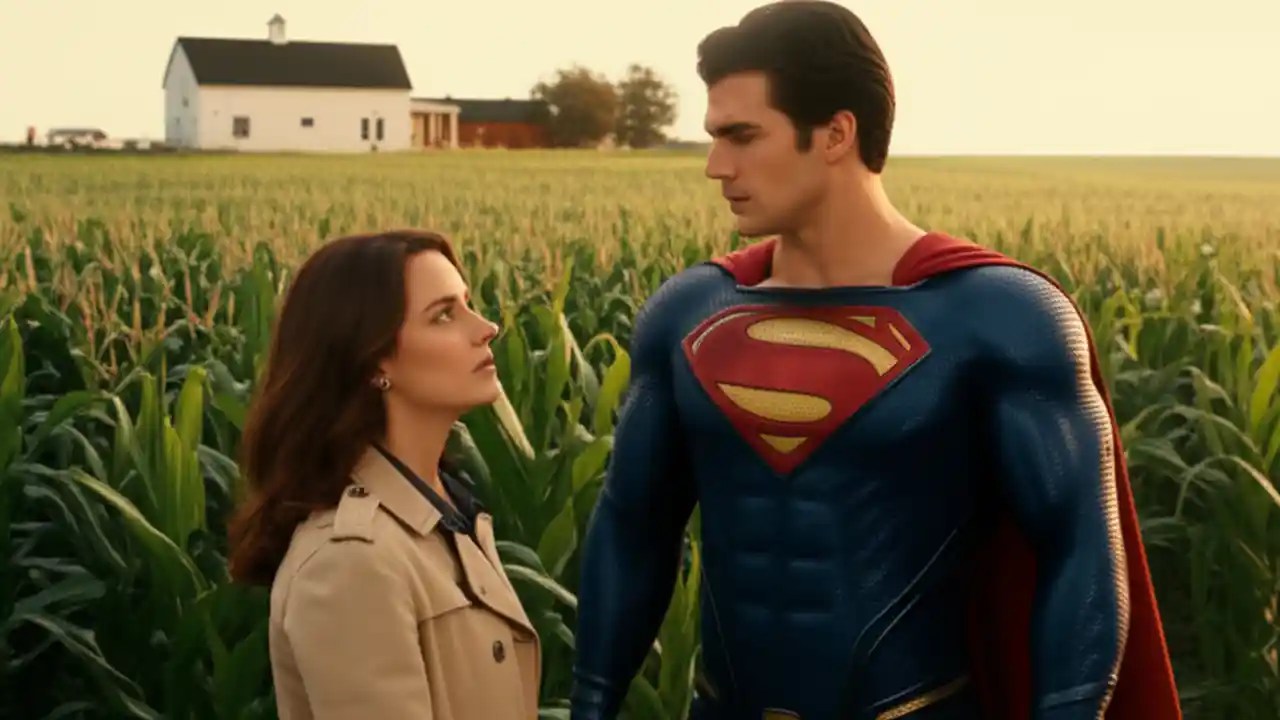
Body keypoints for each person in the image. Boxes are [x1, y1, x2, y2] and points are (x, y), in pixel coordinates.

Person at [570, 3, 1182, 719]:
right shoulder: (688, 313)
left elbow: (1079, 550)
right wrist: (592, 703)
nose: (715, 166)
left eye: (742, 136)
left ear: (836, 133)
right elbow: (632, 528)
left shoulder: (996, 316)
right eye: (714, 137)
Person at [226, 230, 541, 720]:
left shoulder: (445, 513)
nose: (487, 327)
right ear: (373, 358)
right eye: (444, 315)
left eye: (468, 304)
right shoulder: (352, 561)